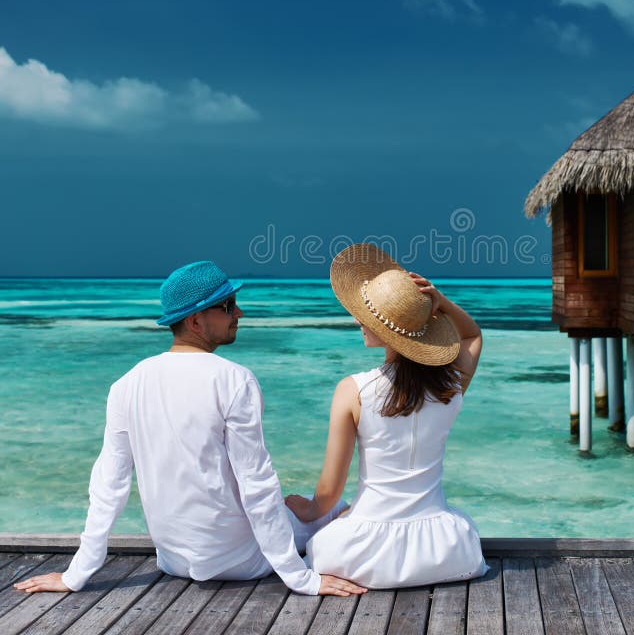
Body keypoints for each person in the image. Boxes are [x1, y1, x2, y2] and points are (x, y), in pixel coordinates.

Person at [14, 260, 365, 598]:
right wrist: (300, 578)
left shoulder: (126, 384)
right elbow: (256, 487)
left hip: (174, 559)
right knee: (338, 507)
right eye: (228, 306)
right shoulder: (233, 380)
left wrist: (76, 575)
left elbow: (109, 485)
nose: (239, 313)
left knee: (293, 506)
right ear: (196, 321)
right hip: (242, 561)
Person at [285, 243, 488, 588]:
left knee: (306, 520)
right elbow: (471, 335)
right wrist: (440, 302)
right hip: (446, 552)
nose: (356, 321)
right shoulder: (450, 388)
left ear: (388, 332)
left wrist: (302, 510)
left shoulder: (354, 390)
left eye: (365, 316)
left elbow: (328, 493)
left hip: (363, 555)